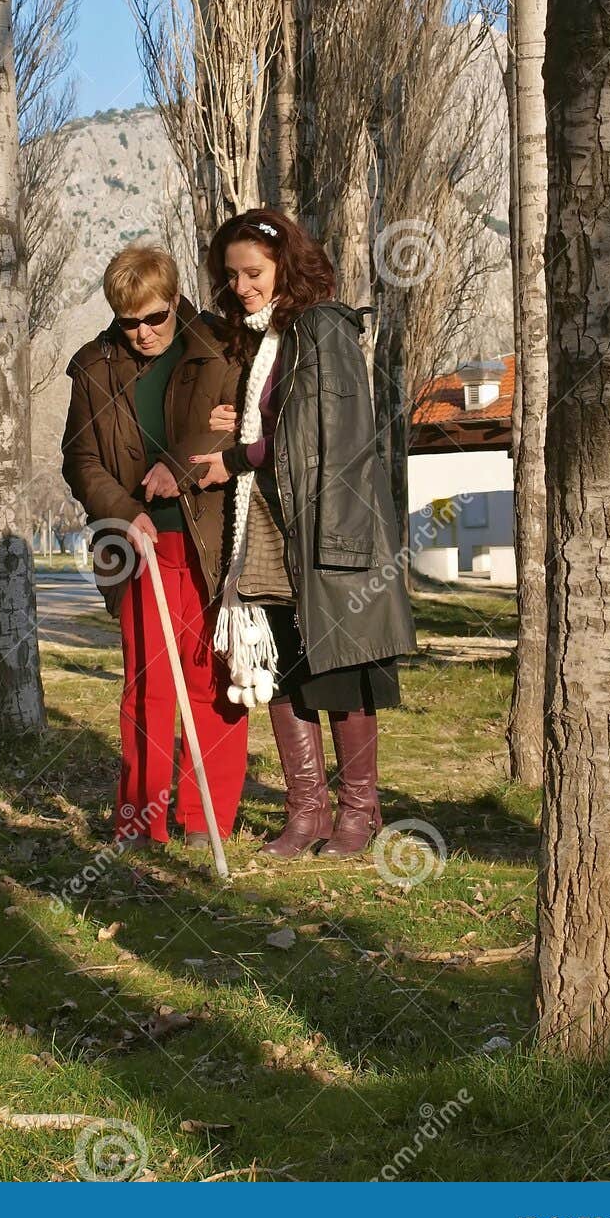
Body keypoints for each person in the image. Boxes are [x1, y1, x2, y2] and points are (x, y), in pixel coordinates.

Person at [190, 209, 416, 858]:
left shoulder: (319, 328)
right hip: (269, 524)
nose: (241, 287)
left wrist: (235, 454)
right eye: (230, 276)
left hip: (325, 526)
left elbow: (322, 439)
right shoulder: (267, 341)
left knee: (339, 671)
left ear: (285, 265)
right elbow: (280, 427)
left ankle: (358, 813)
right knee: (288, 667)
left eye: (253, 273)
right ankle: (306, 812)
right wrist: (244, 429)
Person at [61, 245, 244, 849]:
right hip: (139, 543)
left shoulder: (220, 346)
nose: (142, 333)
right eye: (128, 321)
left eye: (154, 318)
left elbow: (240, 426)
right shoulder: (94, 366)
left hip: (209, 538)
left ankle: (205, 819)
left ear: (175, 301)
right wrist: (125, 511)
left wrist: (178, 467)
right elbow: (80, 457)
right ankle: (140, 821)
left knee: (209, 677)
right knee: (147, 682)